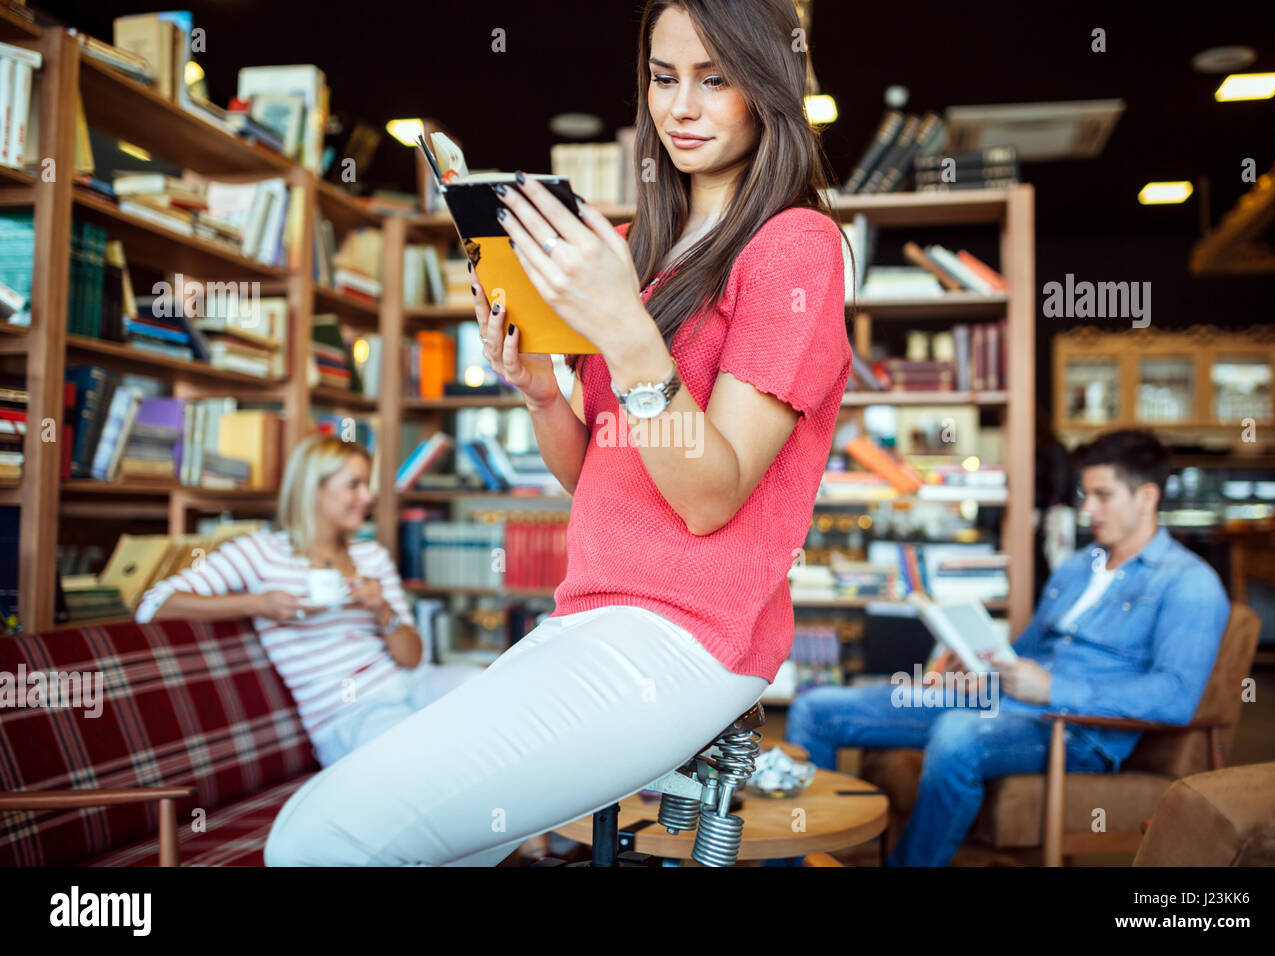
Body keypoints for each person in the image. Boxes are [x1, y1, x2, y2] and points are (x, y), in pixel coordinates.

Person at [263, 0, 852, 866]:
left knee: (319, 837)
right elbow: (601, 481)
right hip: (589, 615)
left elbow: (709, 496)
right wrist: (543, 393)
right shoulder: (639, 253)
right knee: (438, 847)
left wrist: (622, 327)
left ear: (767, 89)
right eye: (662, 78)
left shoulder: (793, 246)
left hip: (687, 635)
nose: (680, 107)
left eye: (714, 80)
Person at [785, 429, 1231, 866]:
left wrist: (1053, 689)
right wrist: (982, 662)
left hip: (1073, 731)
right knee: (816, 709)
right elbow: (1024, 651)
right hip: (1002, 700)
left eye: (1103, 495)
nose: (1087, 508)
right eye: (1084, 494)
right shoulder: (1076, 568)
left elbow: (1175, 697)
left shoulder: (1188, 584)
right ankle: (793, 860)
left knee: (957, 734)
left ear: (1147, 497)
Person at [134, 434, 485, 768]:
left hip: (410, 685)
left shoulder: (371, 557)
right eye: (354, 485)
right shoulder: (261, 553)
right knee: (439, 760)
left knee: (491, 693)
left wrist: (382, 609)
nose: (367, 496)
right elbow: (152, 605)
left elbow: (413, 658)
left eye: (367, 485)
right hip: (350, 713)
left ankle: (523, 827)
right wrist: (259, 604)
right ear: (313, 489)